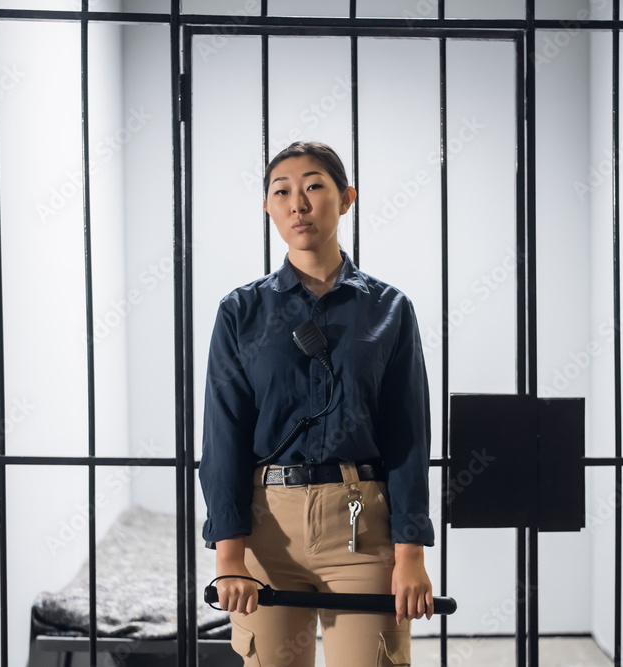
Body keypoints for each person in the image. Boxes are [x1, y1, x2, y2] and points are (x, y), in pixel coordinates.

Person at [199, 140, 435, 666]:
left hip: (362, 527)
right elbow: (224, 435)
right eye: (281, 191)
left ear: (346, 198)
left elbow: (408, 436)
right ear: (268, 207)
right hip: (268, 532)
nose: (297, 204)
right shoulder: (240, 312)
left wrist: (410, 554)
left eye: (313, 187)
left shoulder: (389, 310)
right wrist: (229, 555)